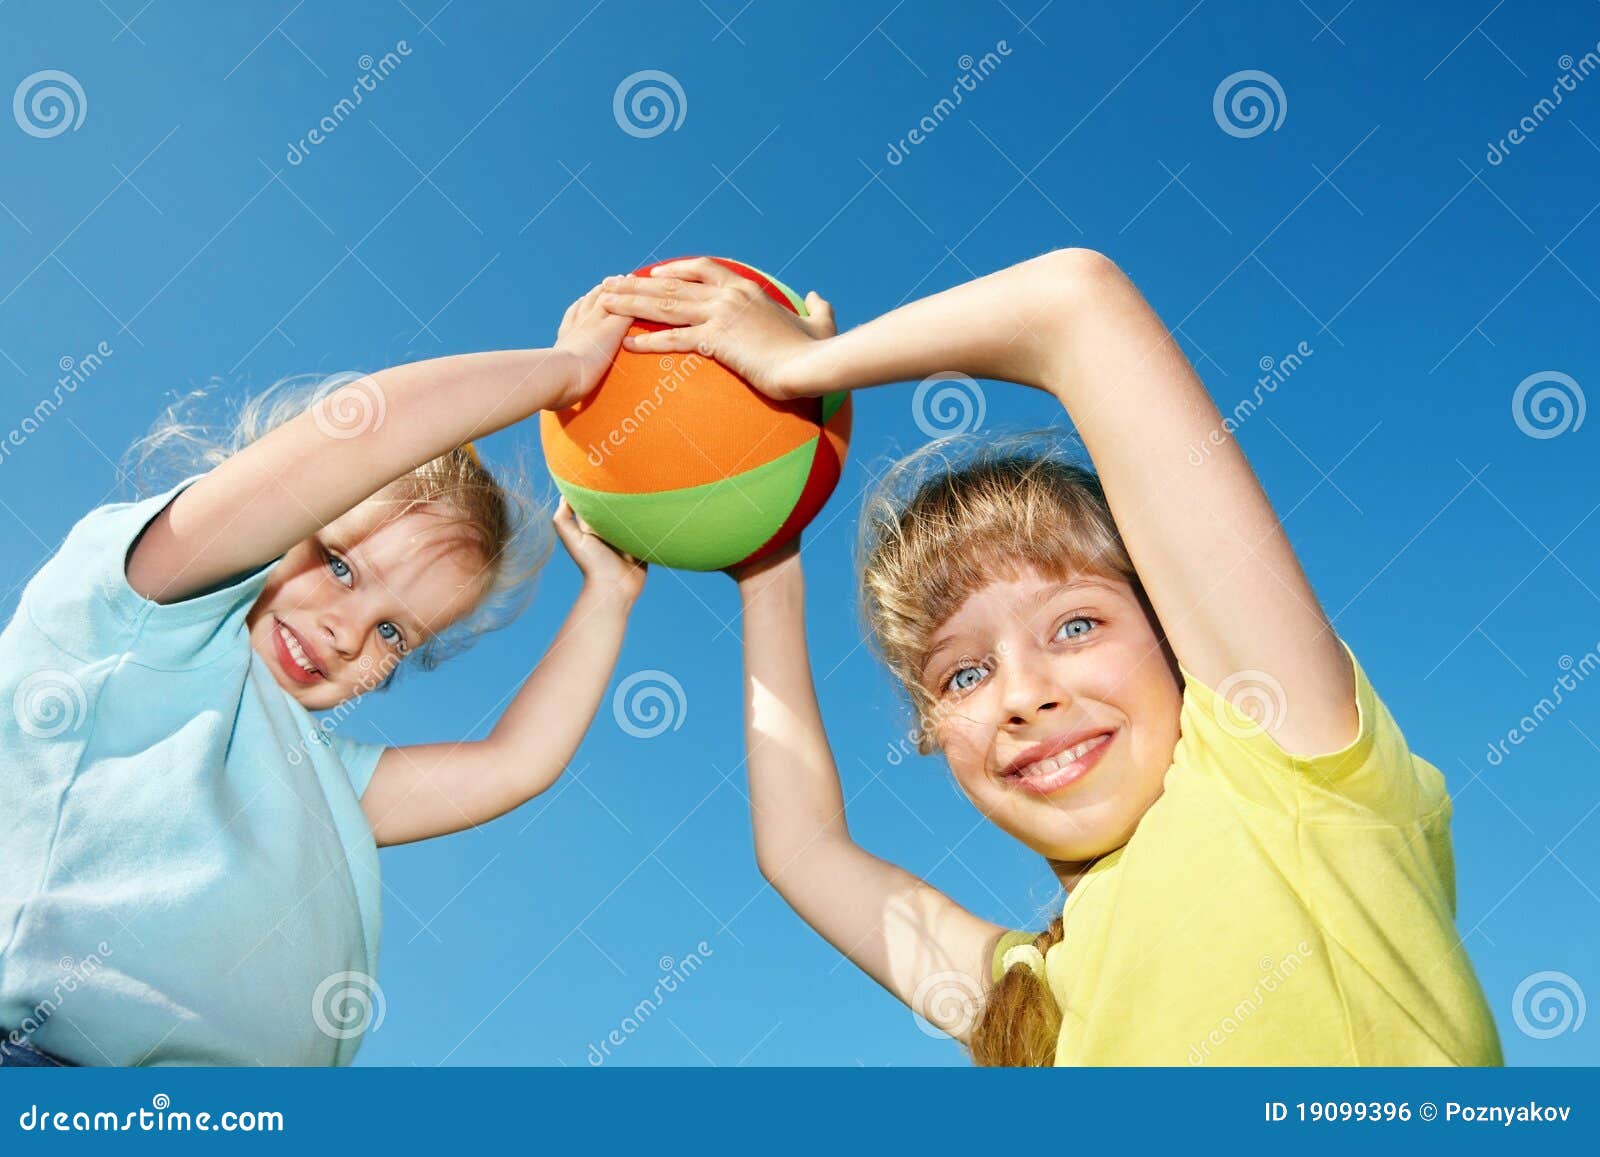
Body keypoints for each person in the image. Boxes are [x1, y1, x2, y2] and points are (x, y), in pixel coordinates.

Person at [599, 250, 1503, 1066]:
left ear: (1179, 638)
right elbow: (802, 848)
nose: (1023, 695)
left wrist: (806, 364)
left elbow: (1076, 307)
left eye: (1075, 626)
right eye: (962, 673)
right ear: (930, 731)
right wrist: (767, 553)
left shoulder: (1287, 771)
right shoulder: (1026, 996)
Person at [0, 286, 643, 1066]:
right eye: (338, 563)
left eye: (392, 633)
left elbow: (516, 764)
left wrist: (609, 594)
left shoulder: (318, 778)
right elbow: (356, 438)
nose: (346, 632)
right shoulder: (137, 619)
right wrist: (566, 370)